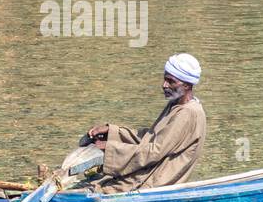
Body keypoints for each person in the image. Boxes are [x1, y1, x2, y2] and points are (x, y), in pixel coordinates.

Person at [85, 54, 207, 194]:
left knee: (92, 190)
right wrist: (112, 132)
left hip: (152, 181)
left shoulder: (188, 113)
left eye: (170, 81)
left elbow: (154, 152)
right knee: (91, 181)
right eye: (164, 79)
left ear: (186, 84)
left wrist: (109, 149)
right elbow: (150, 137)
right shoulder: (176, 104)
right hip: (149, 174)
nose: (164, 85)